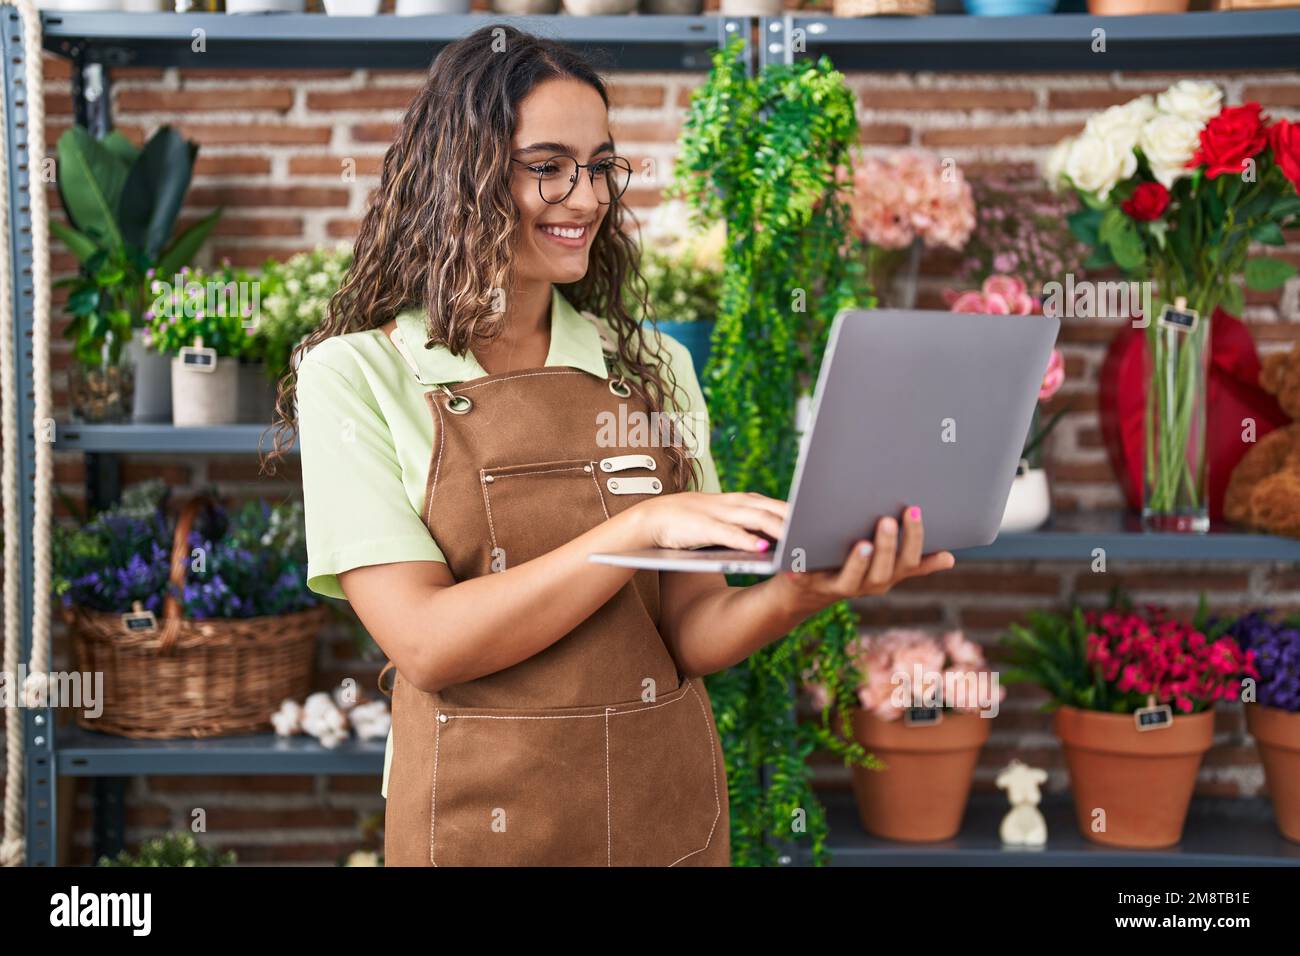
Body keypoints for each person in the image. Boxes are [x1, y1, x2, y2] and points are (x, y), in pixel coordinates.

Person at [265, 24, 955, 867]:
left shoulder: (653, 367)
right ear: (462, 175)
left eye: (599, 166)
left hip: (661, 813)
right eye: (548, 166)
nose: (587, 198)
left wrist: (801, 592)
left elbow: (689, 632)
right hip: (476, 825)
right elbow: (427, 643)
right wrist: (634, 530)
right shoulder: (358, 375)